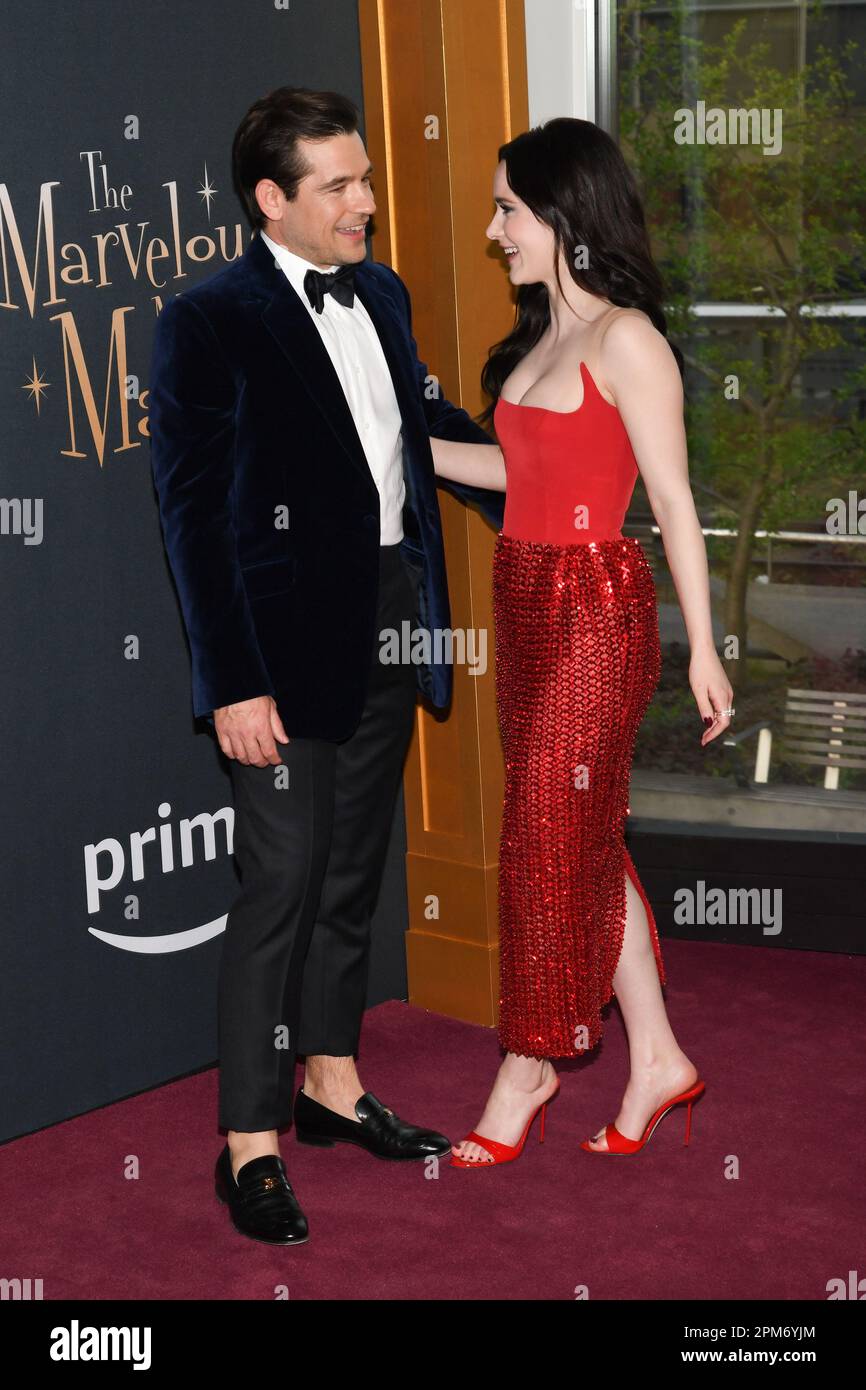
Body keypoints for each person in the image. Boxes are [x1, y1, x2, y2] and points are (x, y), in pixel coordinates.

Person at [148, 87, 506, 1242]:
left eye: (365, 179)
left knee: (352, 877)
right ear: (273, 199)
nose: (365, 202)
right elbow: (191, 517)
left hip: (391, 623)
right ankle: (246, 1144)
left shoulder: (384, 292)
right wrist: (231, 680)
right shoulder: (209, 318)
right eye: (339, 186)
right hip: (280, 654)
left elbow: (412, 444)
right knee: (279, 890)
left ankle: (332, 1085)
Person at [431, 117, 732, 1166]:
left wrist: (703, 648)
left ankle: (529, 1062)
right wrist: (398, 440)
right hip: (520, 603)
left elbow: (674, 503)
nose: (492, 228)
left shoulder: (624, 339)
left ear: (560, 213)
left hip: (593, 613)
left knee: (542, 846)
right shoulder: (542, 342)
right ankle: (654, 1059)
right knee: (584, 835)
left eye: (507, 209)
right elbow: (522, 475)